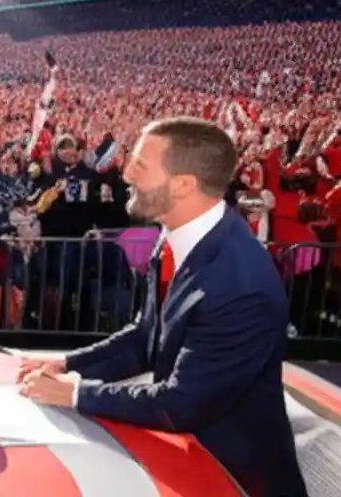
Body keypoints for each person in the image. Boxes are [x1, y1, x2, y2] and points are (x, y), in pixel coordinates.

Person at [17, 117, 307, 497]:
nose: (125, 173)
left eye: (140, 164)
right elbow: (144, 338)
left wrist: (74, 393)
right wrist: (67, 364)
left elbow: (181, 403)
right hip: (187, 463)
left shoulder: (240, 285)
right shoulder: (174, 239)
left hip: (236, 479)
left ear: (183, 184)